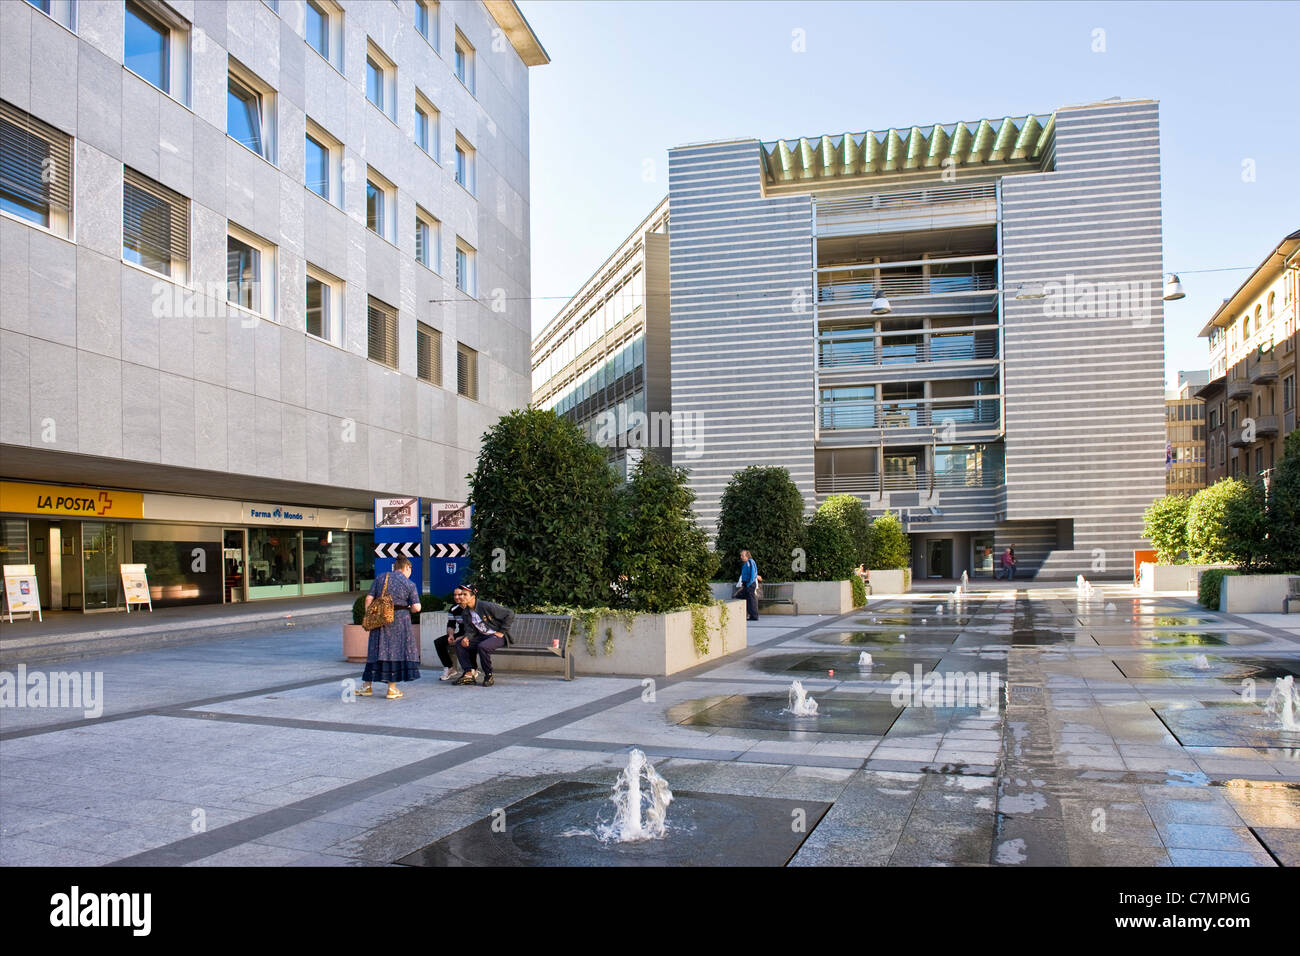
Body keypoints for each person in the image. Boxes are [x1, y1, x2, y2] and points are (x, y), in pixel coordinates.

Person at [356, 557, 422, 699]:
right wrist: (410, 607)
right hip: (400, 620)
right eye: (410, 570)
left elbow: (368, 598)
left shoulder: (381, 578)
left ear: (395, 567)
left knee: (376, 650)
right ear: (407, 568)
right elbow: (417, 607)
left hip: (380, 620)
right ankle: (392, 689)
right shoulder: (409, 584)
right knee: (395, 651)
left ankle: (366, 687)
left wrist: (370, 615)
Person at [450, 584, 515, 687]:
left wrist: (502, 631)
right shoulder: (466, 612)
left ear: (473, 596)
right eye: (461, 594)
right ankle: (468, 674)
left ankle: (489, 675)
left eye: (465, 594)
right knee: (459, 643)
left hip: (498, 637)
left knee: (482, 646)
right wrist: (467, 637)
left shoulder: (485, 606)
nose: (461, 597)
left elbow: (510, 613)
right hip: (482, 637)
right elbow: (470, 630)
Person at [738, 549, 761, 621]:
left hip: (749, 584)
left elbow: (753, 574)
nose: (741, 557)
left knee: (751, 600)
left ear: (747, 556)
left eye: (742, 555)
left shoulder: (750, 562)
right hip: (746, 584)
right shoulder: (746, 563)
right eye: (741, 555)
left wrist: (749, 583)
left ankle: (754, 616)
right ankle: (751, 614)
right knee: (746, 599)